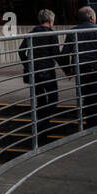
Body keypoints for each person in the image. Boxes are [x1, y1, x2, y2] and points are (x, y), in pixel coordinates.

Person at [62, 6, 97, 129]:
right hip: (95, 71)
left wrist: (68, 70)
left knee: (86, 99)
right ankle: (95, 126)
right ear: (92, 17)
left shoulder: (72, 32)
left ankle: (89, 124)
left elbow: (64, 54)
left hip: (79, 71)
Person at [19, 9, 66, 144]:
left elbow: (21, 51)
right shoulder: (52, 34)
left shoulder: (32, 33)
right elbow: (56, 54)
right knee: (53, 99)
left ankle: (42, 128)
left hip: (34, 73)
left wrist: (28, 65)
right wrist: (67, 69)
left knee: (40, 100)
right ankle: (43, 126)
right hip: (48, 72)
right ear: (51, 21)